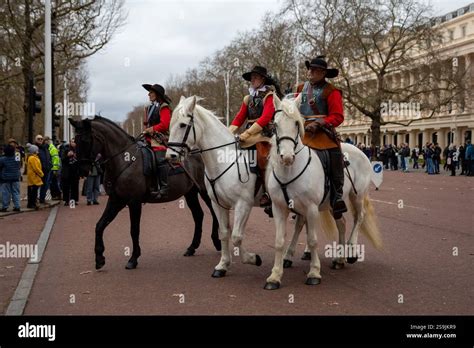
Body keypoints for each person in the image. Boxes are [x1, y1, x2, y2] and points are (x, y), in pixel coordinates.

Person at [296, 56, 347, 219]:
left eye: (314, 69)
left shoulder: (331, 91)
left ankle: (337, 196)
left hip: (322, 134)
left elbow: (338, 116)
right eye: (309, 68)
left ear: (323, 73)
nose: (310, 72)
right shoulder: (299, 88)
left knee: (334, 157)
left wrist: (319, 123)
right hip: (301, 131)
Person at [228, 65, 282, 209]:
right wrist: (229, 131)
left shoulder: (269, 96)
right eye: (251, 78)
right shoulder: (248, 98)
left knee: (262, 158)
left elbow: (265, 117)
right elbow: (239, 118)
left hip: (264, 134)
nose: (252, 80)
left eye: (255, 77)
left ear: (263, 79)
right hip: (249, 132)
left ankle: (268, 193)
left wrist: (247, 133)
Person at [142, 83, 172, 198]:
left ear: (157, 94)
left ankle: (164, 187)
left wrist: (152, 129)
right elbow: (147, 123)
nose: (148, 94)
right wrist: (146, 130)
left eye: (151, 92)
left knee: (160, 159)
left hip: (160, 138)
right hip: (149, 138)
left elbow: (164, 125)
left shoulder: (164, 106)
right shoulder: (149, 107)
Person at [0, 144, 21, 212]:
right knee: (16, 192)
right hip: (15, 177)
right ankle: (17, 206)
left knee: (5, 193)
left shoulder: (2, 159)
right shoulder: (17, 157)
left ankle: (5, 206)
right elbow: (19, 165)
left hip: (5, 178)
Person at [61, 139, 80, 206]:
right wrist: (67, 156)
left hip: (75, 172)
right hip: (67, 172)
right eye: (72, 142)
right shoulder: (66, 149)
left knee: (74, 187)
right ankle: (66, 200)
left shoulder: (78, 150)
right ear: (70, 143)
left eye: (75, 142)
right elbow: (62, 159)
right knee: (66, 187)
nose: (74, 143)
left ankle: (74, 200)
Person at [34, 134, 52, 204]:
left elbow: (49, 158)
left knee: (45, 185)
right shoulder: (35, 148)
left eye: (41, 139)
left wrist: (50, 165)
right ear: (35, 140)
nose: (40, 140)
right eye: (38, 139)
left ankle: (42, 199)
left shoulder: (46, 148)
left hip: (46, 170)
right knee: (36, 186)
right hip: (38, 170)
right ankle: (34, 200)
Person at [26, 145, 44, 209]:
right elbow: (36, 168)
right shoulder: (33, 158)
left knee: (32, 192)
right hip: (34, 177)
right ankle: (32, 204)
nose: (38, 151)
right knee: (33, 192)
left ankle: (31, 204)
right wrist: (41, 174)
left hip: (33, 177)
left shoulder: (32, 157)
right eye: (37, 150)